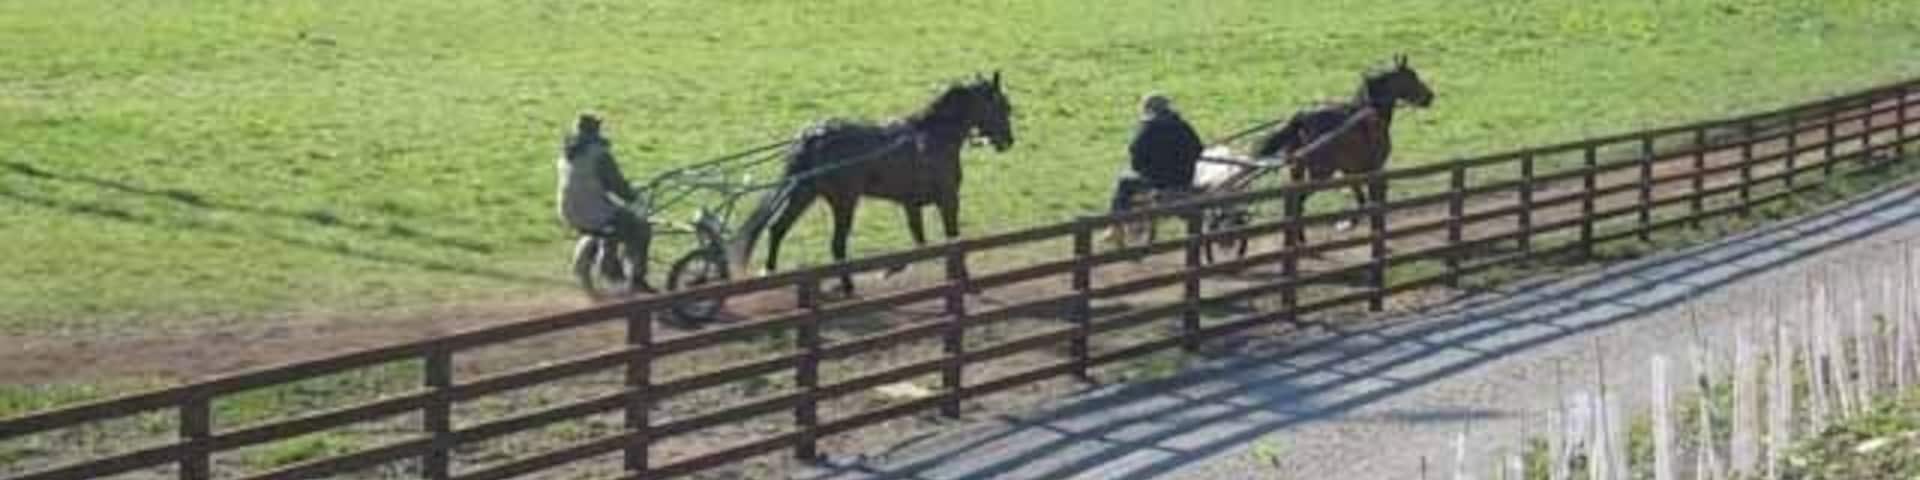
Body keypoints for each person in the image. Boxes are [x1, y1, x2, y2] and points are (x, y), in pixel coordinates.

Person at [557, 113, 654, 292]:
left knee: (615, 219)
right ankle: (636, 277)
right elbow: (617, 186)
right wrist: (635, 197)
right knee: (641, 227)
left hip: (568, 210)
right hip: (593, 212)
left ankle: (609, 261)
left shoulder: (567, 153)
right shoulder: (599, 154)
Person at [1106, 93, 1204, 239]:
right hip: (1184, 180)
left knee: (1124, 182)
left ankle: (1115, 227)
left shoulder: (1148, 128)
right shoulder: (1184, 126)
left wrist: (1142, 168)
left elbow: (1136, 155)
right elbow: (1199, 150)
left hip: (1156, 181)